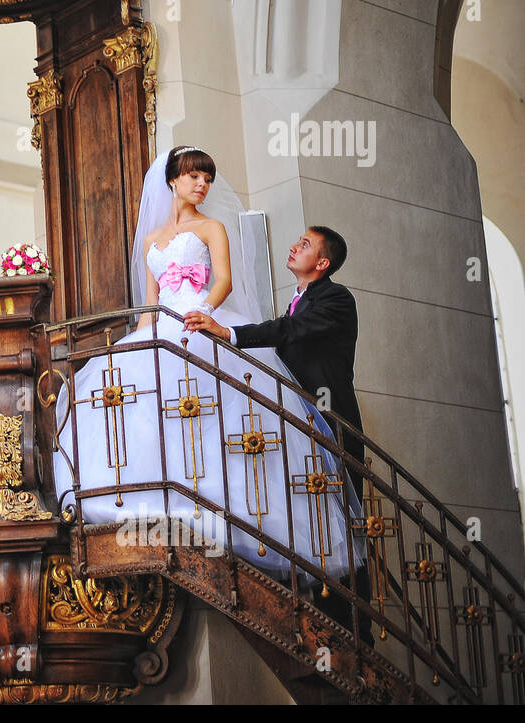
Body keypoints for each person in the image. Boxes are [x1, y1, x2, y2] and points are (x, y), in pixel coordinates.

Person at [50, 147, 367, 604]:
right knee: (137, 401)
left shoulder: (212, 227)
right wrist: (135, 343)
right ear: (173, 181)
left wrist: (203, 316)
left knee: (217, 416)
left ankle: (224, 515)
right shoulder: (151, 239)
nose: (201, 184)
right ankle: (144, 500)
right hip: (162, 324)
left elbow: (223, 282)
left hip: (201, 318)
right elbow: (150, 300)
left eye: (207, 178)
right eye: (194, 176)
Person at [184, 224, 374, 642]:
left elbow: (288, 331)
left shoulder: (336, 299)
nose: (294, 246)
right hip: (304, 422)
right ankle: (321, 615)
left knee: (343, 519)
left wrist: (229, 332)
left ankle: (356, 634)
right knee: (315, 515)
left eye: (305, 245)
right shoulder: (300, 299)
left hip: (332, 420)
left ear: (322, 264)